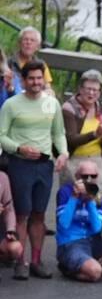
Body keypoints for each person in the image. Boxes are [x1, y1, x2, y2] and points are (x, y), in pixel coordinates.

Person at [0, 61, 67, 279]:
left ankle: (36, 261)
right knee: (22, 214)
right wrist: (19, 148)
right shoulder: (11, 105)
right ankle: (21, 262)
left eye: (40, 78)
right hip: (20, 164)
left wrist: (63, 153)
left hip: (44, 166)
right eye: (31, 78)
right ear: (23, 80)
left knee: (39, 214)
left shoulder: (52, 104)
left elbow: (58, 133)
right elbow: (1, 135)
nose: (36, 82)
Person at [53, 160, 102, 282]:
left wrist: (90, 202)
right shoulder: (65, 192)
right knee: (95, 273)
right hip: (71, 243)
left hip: (92, 240)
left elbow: (96, 228)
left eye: (93, 176)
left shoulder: (100, 197)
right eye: (84, 176)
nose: (88, 180)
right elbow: (63, 225)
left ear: (97, 178)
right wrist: (74, 198)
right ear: (77, 177)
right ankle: (69, 269)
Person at [61, 70, 102, 182]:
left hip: (97, 161)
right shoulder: (69, 108)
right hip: (74, 160)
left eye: (95, 90)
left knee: (98, 199)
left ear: (100, 92)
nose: (91, 93)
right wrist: (95, 134)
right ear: (80, 89)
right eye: (88, 89)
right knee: (72, 198)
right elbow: (71, 139)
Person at [8, 27, 52, 93]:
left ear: (37, 46)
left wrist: (48, 92)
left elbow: (48, 88)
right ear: (19, 43)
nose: (28, 42)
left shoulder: (41, 65)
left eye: (32, 40)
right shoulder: (8, 63)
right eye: (25, 39)